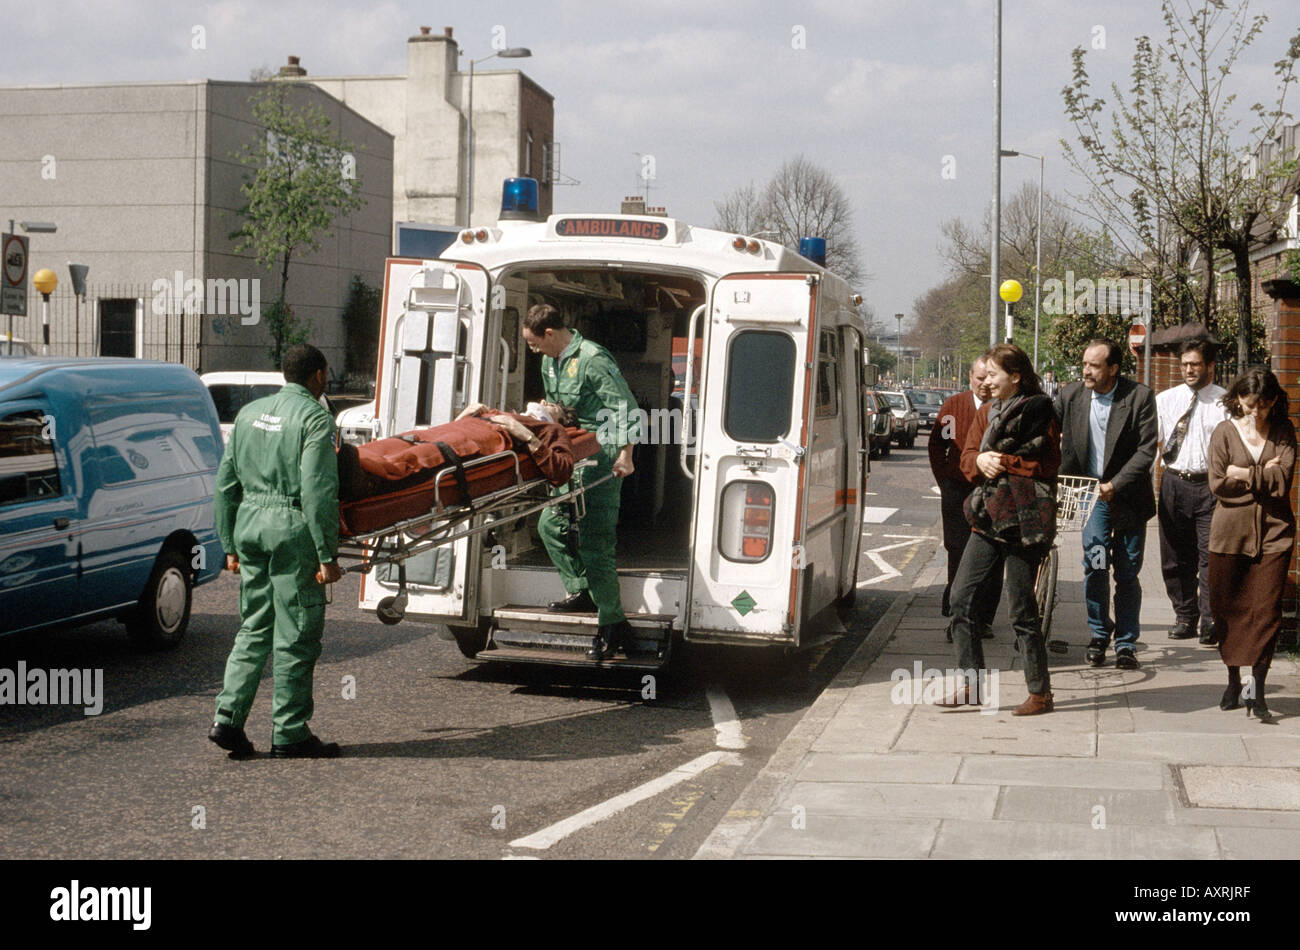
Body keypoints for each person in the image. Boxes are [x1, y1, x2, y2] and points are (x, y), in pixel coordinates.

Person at [209, 344, 342, 759]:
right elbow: (317, 490)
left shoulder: (249, 414)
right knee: (297, 634)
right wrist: (327, 554)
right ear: (318, 376)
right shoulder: (315, 419)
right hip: (291, 532)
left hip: (250, 526)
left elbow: (225, 485)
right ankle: (289, 732)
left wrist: (228, 544)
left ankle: (227, 719)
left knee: (253, 627)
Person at [941, 344, 1061, 716]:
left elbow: (1046, 463)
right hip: (988, 516)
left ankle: (1040, 693)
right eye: (986, 374)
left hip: (1025, 519)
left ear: (1016, 376)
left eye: (994, 374)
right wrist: (979, 459)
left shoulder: (1040, 410)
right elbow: (966, 459)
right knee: (961, 599)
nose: (987, 381)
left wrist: (1002, 461)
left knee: (1021, 609)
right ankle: (971, 684)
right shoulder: (987, 413)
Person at [522, 304, 642, 660]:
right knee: (549, 525)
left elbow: (625, 408)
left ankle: (612, 624)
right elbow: (566, 408)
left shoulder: (592, 359)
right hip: (571, 451)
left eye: (534, 343)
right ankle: (582, 589)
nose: (532, 351)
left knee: (594, 540)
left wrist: (626, 454)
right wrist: (553, 412)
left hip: (603, 454)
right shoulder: (550, 361)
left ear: (550, 334)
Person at [1055, 338, 1157, 670]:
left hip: (1127, 499)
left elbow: (1146, 449)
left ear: (1113, 368)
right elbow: (1044, 425)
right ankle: (1099, 634)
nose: (1086, 370)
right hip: (1091, 501)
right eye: (1084, 364)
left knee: (1127, 572)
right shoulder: (1071, 396)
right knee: (1096, 565)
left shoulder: (1139, 397)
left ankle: (1126, 643)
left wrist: (1117, 484)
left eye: (1094, 365)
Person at [1207, 367, 1295, 722]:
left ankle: (1256, 688)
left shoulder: (1284, 432)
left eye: (1262, 405)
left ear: (1273, 402)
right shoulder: (1224, 433)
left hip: (1274, 535)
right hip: (1229, 535)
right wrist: (1263, 475)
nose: (1255, 412)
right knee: (1227, 609)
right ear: (1237, 399)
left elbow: (1283, 481)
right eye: (1248, 403)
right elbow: (1217, 483)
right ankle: (1232, 680)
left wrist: (1242, 473)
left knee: (1266, 612)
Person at [1156, 339, 1227, 645]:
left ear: (1210, 366)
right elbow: (1152, 443)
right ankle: (1184, 615)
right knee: (1174, 554)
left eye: (1195, 364)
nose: (1188, 369)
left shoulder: (1225, 403)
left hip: (1209, 486)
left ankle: (1210, 619)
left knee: (1209, 555)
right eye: (1184, 364)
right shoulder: (1166, 400)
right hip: (1173, 482)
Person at [928, 356, 1002, 640]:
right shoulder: (953, 406)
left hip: (993, 491)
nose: (985, 384)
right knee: (958, 550)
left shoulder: (1002, 407)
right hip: (958, 490)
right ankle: (958, 617)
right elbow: (939, 445)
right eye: (980, 377)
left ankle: (984, 618)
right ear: (970, 377)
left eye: (989, 378)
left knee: (993, 555)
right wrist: (945, 480)